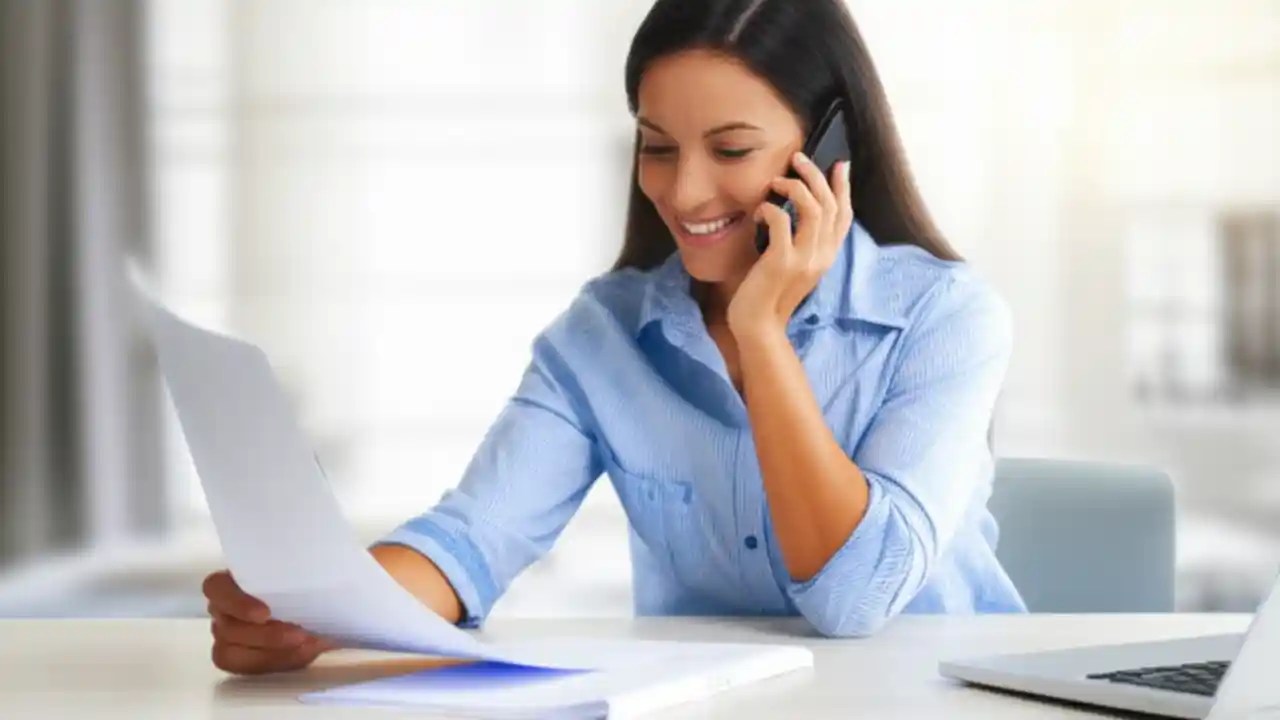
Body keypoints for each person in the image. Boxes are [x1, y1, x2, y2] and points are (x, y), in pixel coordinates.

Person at [202, 0, 1025, 675]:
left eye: (731, 149)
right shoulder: (603, 336)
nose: (685, 190)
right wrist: (318, 613)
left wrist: (761, 333)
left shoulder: (945, 318)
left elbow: (854, 599)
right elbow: (474, 539)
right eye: (657, 147)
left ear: (829, 151)